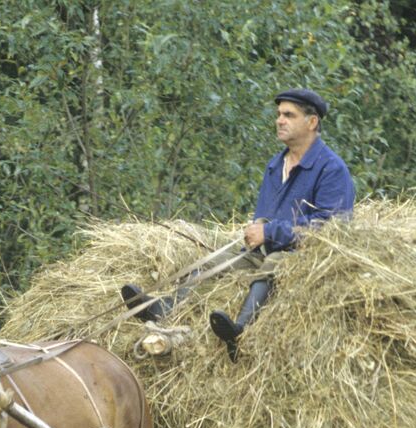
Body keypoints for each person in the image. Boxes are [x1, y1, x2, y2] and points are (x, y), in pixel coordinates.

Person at [125, 88, 355, 360]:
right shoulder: (275, 165)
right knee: (212, 261)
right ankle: (164, 308)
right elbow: (267, 214)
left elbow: (331, 226)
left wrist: (269, 231)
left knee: (276, 263)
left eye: (289, 115)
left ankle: (241, 330)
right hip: (264, 248)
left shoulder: (331, 169)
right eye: (279, 114)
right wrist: (256, 230)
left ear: (312, 122)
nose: (280, 120)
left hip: (303, 257)